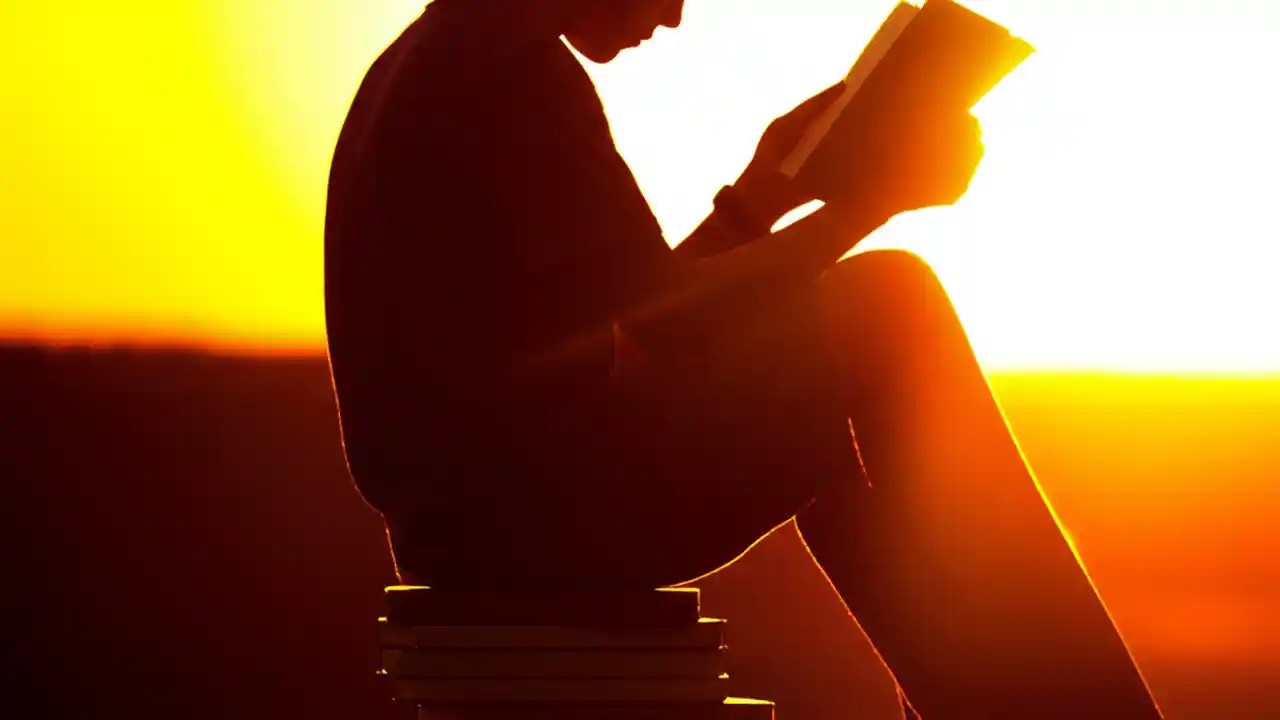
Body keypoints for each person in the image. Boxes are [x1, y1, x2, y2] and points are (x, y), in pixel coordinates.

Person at [324, 1, 1164, 717]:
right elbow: (670, 330)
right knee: (888, 308)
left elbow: (632, 311)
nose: (673, 12)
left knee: (841, 423)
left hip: (493, 519)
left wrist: (765, 190)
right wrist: (869, 204)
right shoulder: (512, 75)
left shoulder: (434, 58)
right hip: (540, 519)